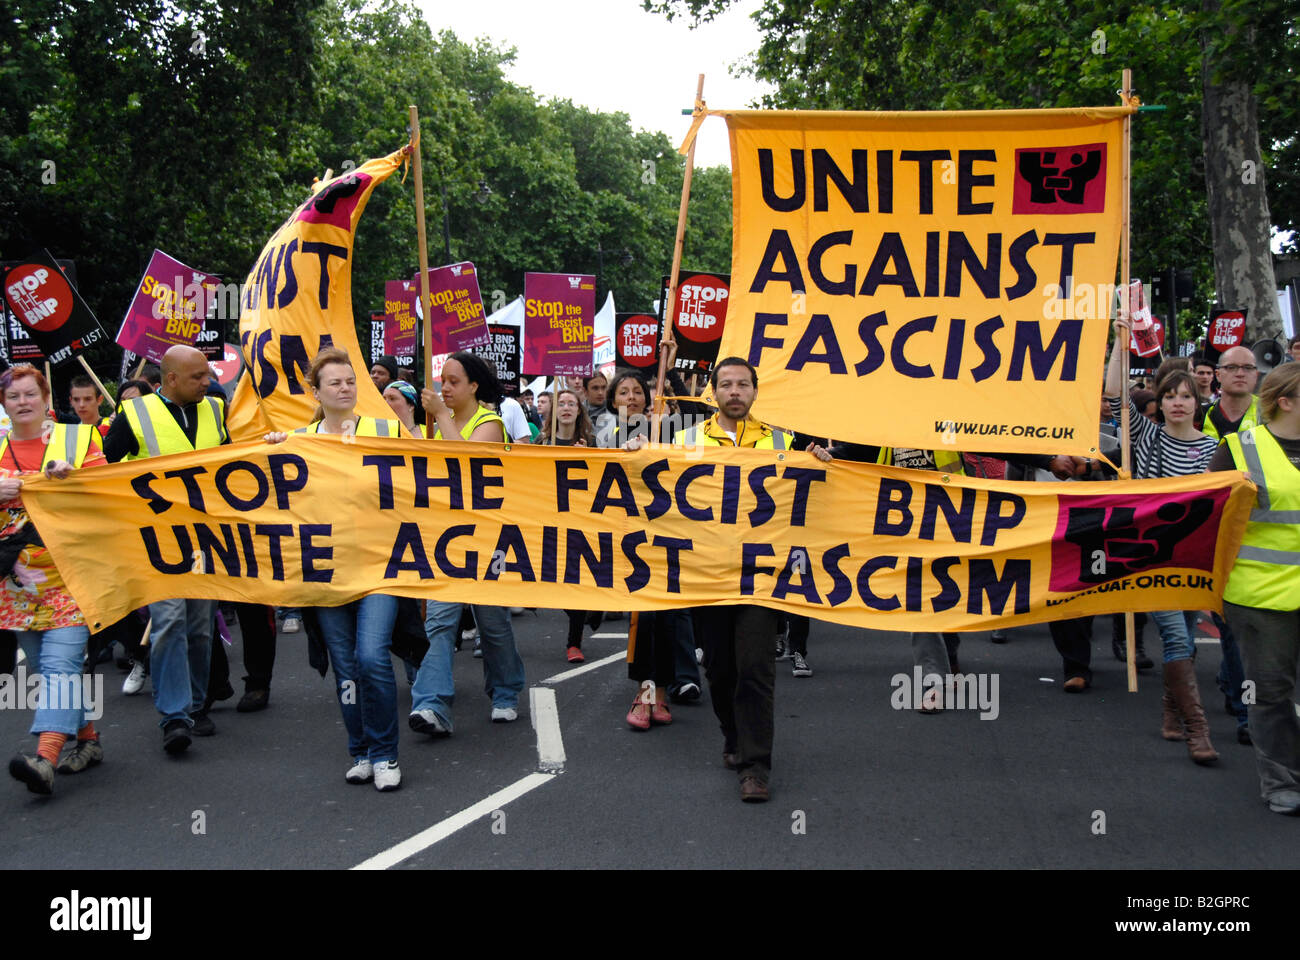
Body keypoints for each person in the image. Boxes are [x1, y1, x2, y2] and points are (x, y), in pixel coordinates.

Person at [265, 347, 404, 790]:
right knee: (345, 666)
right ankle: (360, 750)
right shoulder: (299, 441)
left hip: (380, 566)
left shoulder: (385, 430)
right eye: (335, 383)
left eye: (350, 381)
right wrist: (269, 453)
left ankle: (385, 754)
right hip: (323, 570)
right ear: (316, 391)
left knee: (371, 657)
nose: (345, 389)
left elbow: (434, 467)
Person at [671, 357, 792, 803]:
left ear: (756, 392)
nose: (735, 391)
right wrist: (638, 454)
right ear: (713, 393)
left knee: (756, 669)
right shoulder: (685, 441)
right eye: (726, 385)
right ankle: (733, 734)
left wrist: (819, 463)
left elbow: (810, 495)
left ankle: (755, 766)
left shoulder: (783, 441)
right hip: (706, 573)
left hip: (762, 575)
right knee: (720, 667)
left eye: (743, 384)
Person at [103, 344, 229, 754]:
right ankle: (174, 716)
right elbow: (102, 469)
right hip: (157, 540)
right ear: (171, 379)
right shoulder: (134, 416)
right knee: (169, 622)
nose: (208, 383)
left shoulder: (215, 410)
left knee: (199, 626)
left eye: (208, 375)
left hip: (205, 540)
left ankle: (195, 703)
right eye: (199, 377)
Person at [1106, 319, 1221, 763]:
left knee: (1187, 642)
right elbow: (1115, 394)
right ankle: (1198, 731)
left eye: (1185, 395)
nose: (1176, 403)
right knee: (1176, 639)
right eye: (1169, 396)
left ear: (1198, 401)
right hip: (1153, 559)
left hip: (1194, 561)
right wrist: (1120, 343)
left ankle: (1172, 715)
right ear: (1160, 401)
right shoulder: (1147, 437)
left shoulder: (1215, 449)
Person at [1, 364, 107, 794]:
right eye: (14, 396)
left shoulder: (78, 440)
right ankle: (88, 739)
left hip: (73, 573)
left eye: (30, 394)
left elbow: (108, 494)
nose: (23, 402)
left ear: (47, 400)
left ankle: (44, 758)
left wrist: (76, 482)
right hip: (16, 584)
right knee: (51, 672)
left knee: (59, 665)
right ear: (4, 404)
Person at [409, 351, 526, 735]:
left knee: (491, 623)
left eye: (454, 381)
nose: (445, 387)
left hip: (489, 539)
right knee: (440, 622)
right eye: (442, 379)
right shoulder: (434, 423)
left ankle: (505, 691)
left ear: (474, 386)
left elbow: (465, 465)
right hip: (447, 540)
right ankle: (431, 704)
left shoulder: (488, 423)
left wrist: (441, 416)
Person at [1211, 364, 1300, 813]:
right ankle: (1282, 781)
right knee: (1271, 694)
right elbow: (1205, 523)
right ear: (1285, 401)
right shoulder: (1238, 451)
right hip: (1260, 598)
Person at [1202, 345, 1261, 442]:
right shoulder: (1199, 416)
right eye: (1231, 367)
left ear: (1256, 375)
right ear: (1218, 375)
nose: (1240, 374)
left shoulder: (1271, 415)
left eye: (1248, 367)